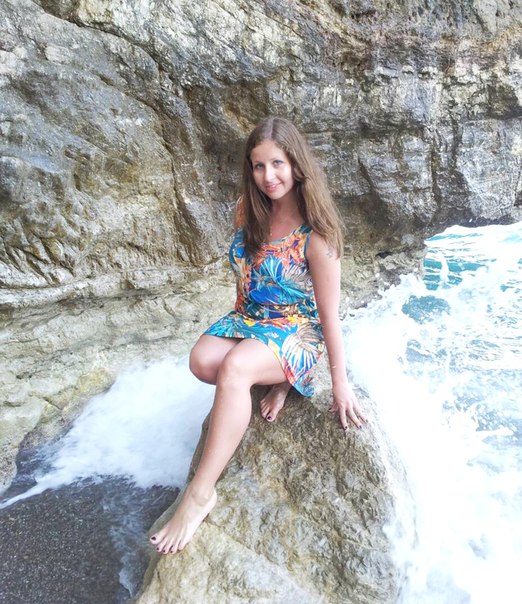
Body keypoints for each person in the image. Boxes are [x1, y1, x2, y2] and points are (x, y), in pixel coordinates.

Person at [149, 116, 367, 555]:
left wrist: (340, 382)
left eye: (278, 163)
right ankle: (274, 379)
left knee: (234, 369)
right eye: (258, 166)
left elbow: (329, 316)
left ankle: (200, 494)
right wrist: (239, 325)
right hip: (250, 318)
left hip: (296, 328)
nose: (269, 176)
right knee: (201, 361)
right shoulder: (249, 210)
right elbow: (245, 277)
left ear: (297, 164)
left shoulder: (317, 235)